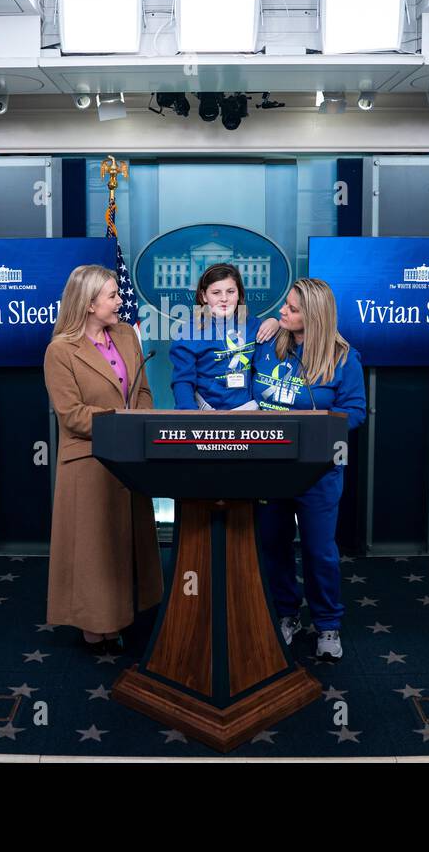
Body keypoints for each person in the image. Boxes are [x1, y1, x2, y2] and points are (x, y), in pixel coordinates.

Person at [42, 265, 162, 652]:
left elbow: (142, 390)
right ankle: (95, 626)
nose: (120, 301)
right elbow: (71, 414)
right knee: (94, 548)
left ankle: (122, 617)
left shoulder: (127, 334)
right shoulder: (60, 351)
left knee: (124, 542)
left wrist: (137, 422)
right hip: (89, 462)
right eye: (112, 296)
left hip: (129, 457)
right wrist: (121, 423)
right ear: (89, 303)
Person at [251, 277, 366, 662]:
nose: (282, 311)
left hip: (319, 470)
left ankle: (328, 623)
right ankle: (286, 615)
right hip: (269, 467)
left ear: (314, 317)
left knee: (319, 551)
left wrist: (308, 421)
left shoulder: (344, 357)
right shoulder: (268, 343)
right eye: (284, 305)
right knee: (274, 545)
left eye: (292, 309)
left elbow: (355, 413)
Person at [169, 262, 279, 410]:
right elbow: (183, 381)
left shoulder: (252, 325)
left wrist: (275, 323)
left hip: (249, 411)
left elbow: (266, 369)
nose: (224, 298)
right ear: (204, 296)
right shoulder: (189, 331)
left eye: (230, 291)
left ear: (239, 293)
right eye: (216, 293)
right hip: (208, 413)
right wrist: (190, 416)